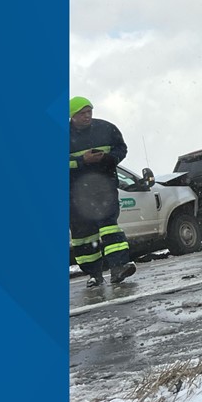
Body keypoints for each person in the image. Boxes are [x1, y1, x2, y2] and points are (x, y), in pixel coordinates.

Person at [69, 96, 137, 287]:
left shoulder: (106, 128)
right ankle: (93, 274)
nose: (87, 116)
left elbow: (121, 149)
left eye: (89, 112)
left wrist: (108, 158)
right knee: (83, 236)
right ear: (72, 116)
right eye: (82, 113)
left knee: (110, 227)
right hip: (75, 194)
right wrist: (82, 161)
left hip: (104, 188)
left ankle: (119, 267)